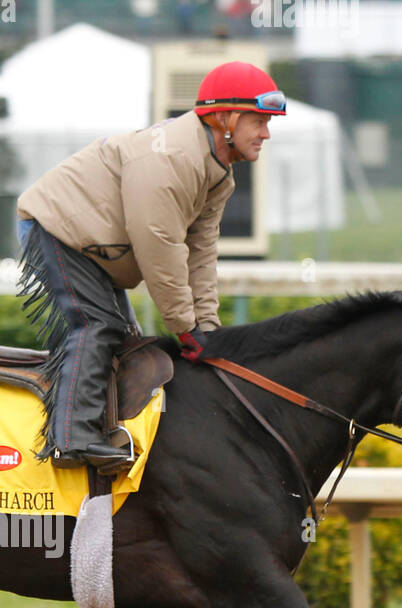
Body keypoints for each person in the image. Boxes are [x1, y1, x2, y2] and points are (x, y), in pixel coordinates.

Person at [15, 61, 286, 468]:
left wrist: (208, 331)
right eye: (258, 121)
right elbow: (160, 247)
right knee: (96, 327)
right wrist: (185, 328)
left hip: (94, 245)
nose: (266, 133)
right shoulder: (174, 159)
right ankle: (70, 440)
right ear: (224, 117)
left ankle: (103, 432)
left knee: (126, 341)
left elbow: (201, 255)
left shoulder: (220, 175)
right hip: (56, 228)